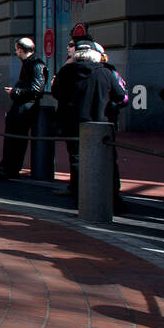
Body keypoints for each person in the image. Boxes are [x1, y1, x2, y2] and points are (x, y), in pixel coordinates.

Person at [51, 39, 126, 205]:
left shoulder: (66, 72)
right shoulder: (105, 73)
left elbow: (56, 93)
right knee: (108, 161)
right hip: (102, 125)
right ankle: (112, 196)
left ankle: (82, 197)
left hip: (73, 124)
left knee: (77, 159)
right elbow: (120, 96)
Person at [0, 38, 47, 180]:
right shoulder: (31, 63)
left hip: (25, 107)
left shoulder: (36, 64)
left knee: (16, 138)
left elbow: (36, 89)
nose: (15, 52)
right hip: (23, 105)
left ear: (20, 49)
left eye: (16, 49)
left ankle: (10, 169)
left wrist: (15, 92)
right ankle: (8, 168)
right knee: (13, 138)